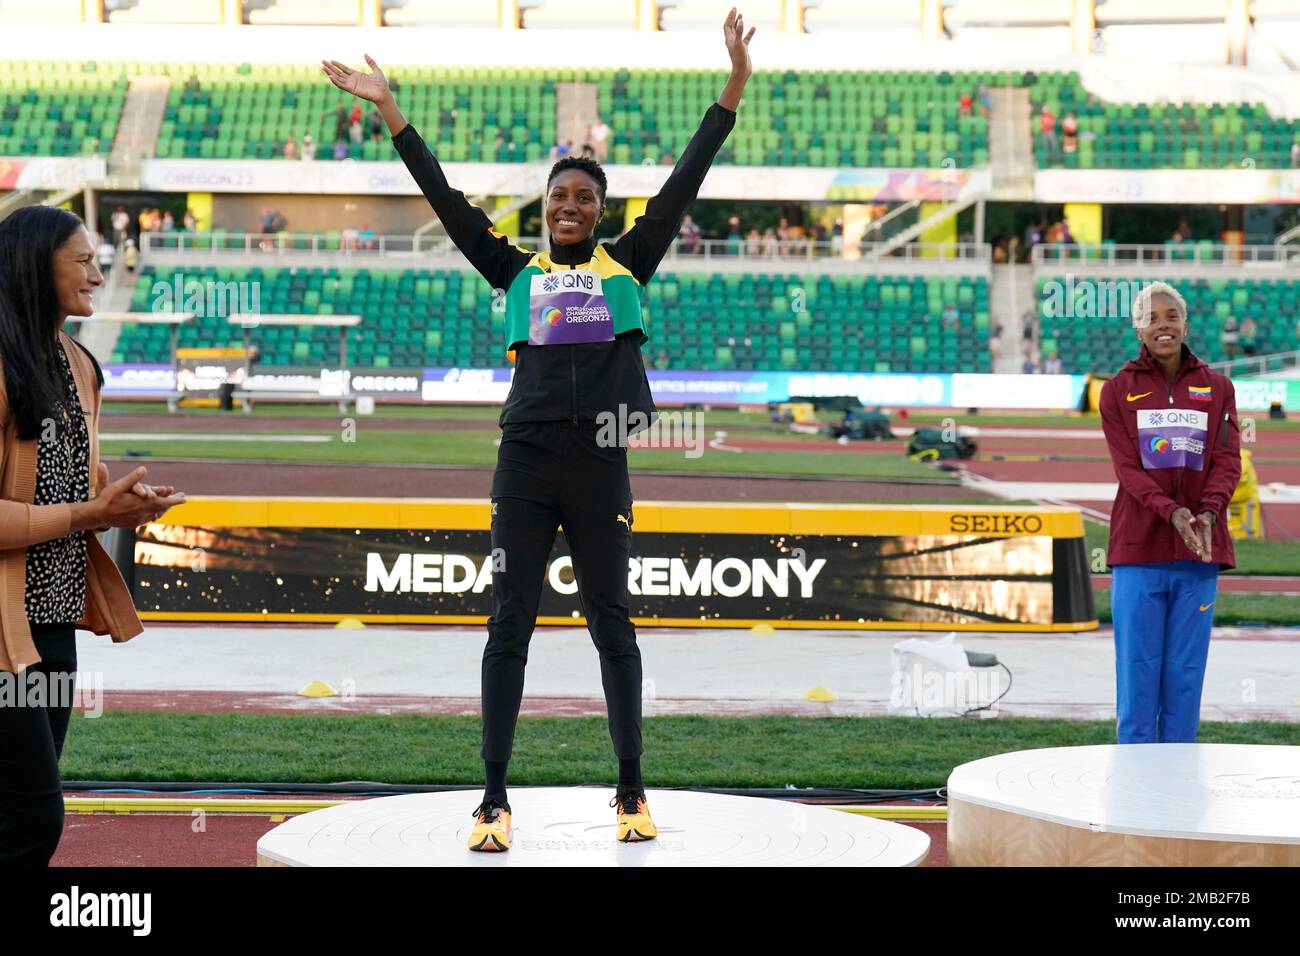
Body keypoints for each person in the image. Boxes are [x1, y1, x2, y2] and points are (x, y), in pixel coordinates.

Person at [322, 6, 754, 853]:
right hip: (523, 463)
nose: (569, 206)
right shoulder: (513, 270)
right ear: (545, 206)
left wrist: (734, 82)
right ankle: (492, 800)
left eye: (583, 198)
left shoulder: (629, 262)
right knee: (507, 622)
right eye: (558, 196)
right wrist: (388, 108)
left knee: (612, 625)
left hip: (600, 464)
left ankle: (631, 793)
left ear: (600, 212)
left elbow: (689, 175)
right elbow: (445, 200)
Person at [0, 206, 185, 866]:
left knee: (18, 810)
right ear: (32, 265)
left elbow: (72, 481)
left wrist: (121, 504)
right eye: (82, 261)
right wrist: (87, 516)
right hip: (3, 630)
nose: (100, 276)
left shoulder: (77, 361)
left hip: (52, 622)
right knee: (33, 816)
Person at [1099, 281, 1240, 744]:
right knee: (1138, 676)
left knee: (1184, 676)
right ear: (1139, 328)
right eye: (1153, 318)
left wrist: (1208, 511)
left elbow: (1227, 460)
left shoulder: (1218, 387)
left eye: (1171, 316)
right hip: (1139, 549)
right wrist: (1172, 512)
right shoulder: (1118, 390)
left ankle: (1174, 801)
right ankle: (1134, 800)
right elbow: (1129, 471)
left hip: (1199, 552)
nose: (1164, 325)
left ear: (1185, 324)